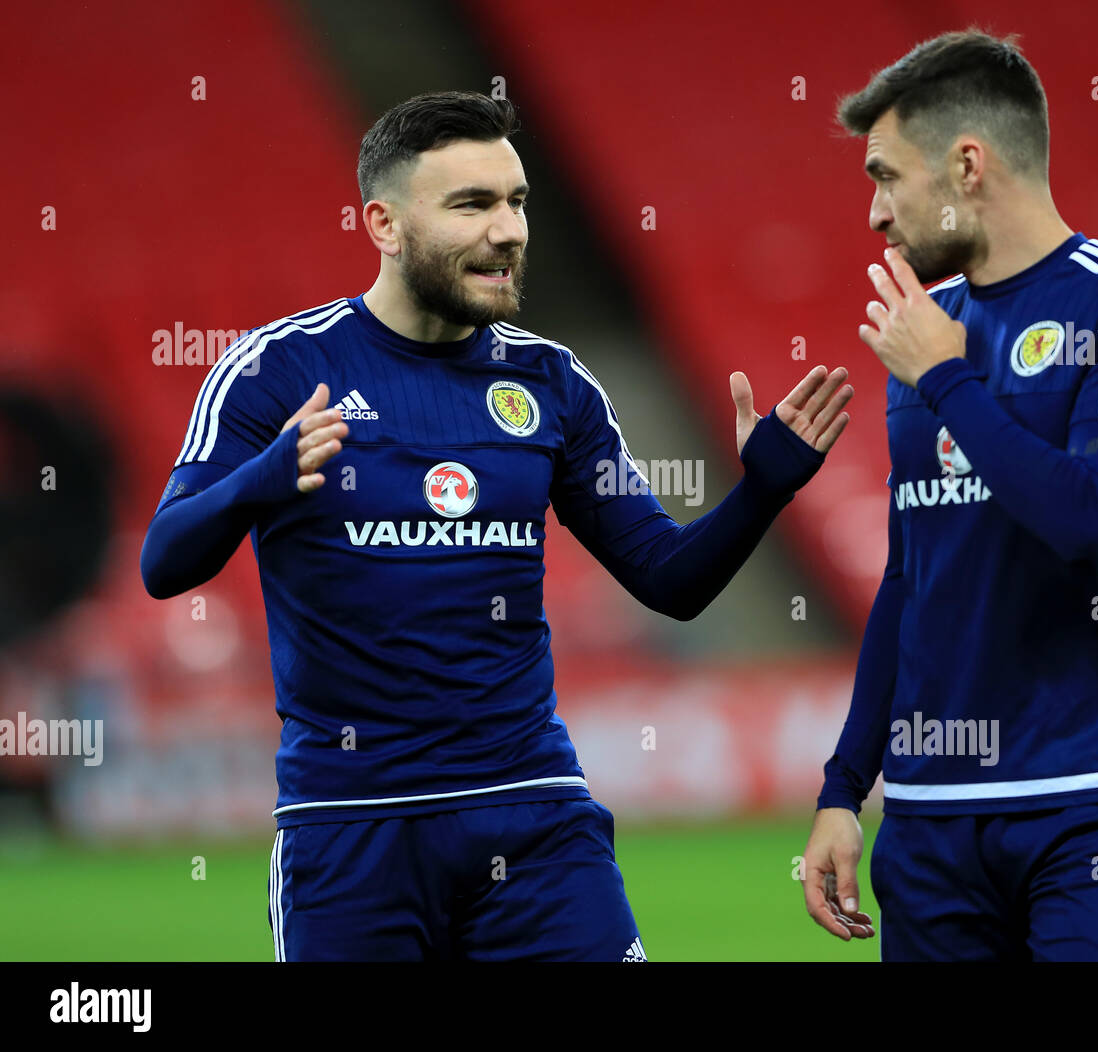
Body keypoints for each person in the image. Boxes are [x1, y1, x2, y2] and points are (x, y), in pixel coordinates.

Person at [140, 90, 853, 961]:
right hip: (353, 825)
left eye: (516, 202)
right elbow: (165, 563)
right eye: (473, 204)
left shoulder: (552, 384)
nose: (509, 230)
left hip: (536, 813)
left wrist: (762, 493)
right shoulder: (277, 369)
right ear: (385, 224)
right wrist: (261, 482)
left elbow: (670, 581)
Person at [801, 30, 1098, 961]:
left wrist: (948, 383)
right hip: (933, 826)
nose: (875, 213)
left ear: (968, 165)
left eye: (887, 176)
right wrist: (841, 787)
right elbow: (911, 582)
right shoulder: (928, 333)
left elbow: (1090, 515)